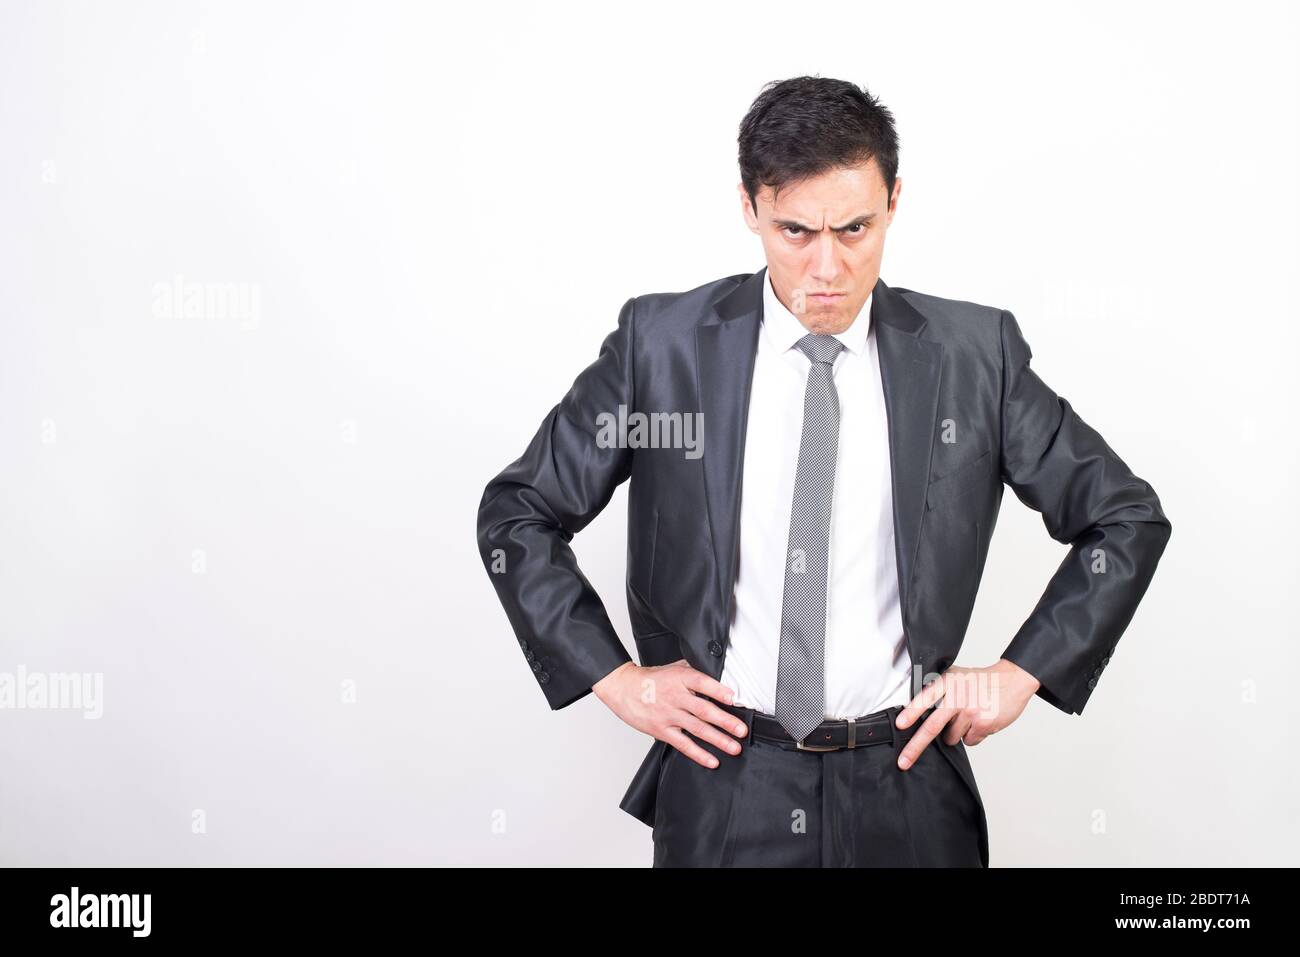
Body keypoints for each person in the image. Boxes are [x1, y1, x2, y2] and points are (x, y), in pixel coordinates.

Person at [476, 75, 1172, 867]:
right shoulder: (661, 348)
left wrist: (1024, 672)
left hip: (908, 787)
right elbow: (519, 511)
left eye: (855, 228)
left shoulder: (975, 359)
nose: (827, 267)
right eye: (796, 232)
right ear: (749, 209)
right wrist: (616, 677)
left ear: (895, 200)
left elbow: (1124, 518)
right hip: (727, 784)